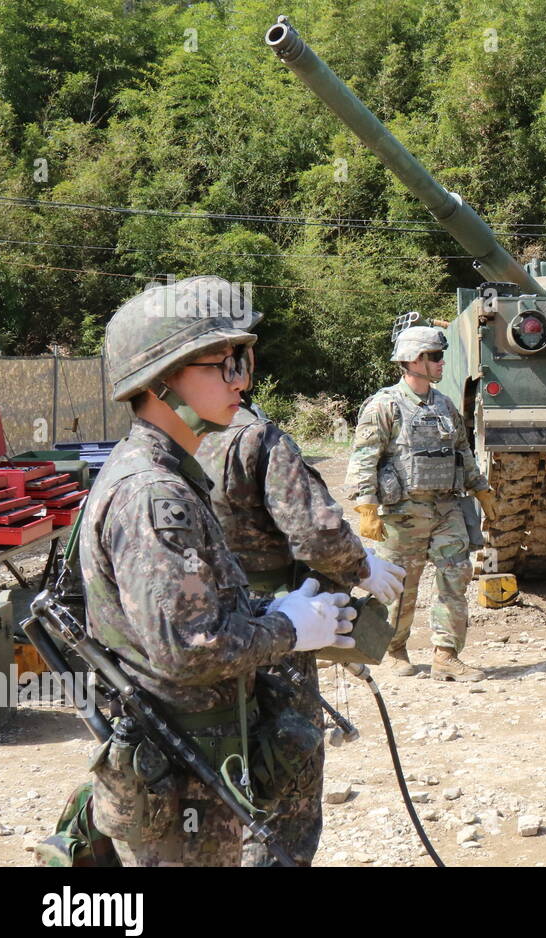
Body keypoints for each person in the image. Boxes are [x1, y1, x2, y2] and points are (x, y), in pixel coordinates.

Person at [80, 275, 356, 866]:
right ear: (159, 381)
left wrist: (273, 610)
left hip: (191, 769)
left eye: (243, 360)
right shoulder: (154, 496)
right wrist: (290, 631)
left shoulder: (168, 476)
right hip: (179, 786)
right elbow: (191, 649)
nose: (242, 379)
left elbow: (196, 615)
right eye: (221, 364)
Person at [195, 331, 405, 866]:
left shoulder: (172, 441)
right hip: (281, 626)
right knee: (285, 778)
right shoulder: (255, 438)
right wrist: (362, 565)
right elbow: (314, 532)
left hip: (205, 631)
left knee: (219, 770)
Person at [347, 325, 496, 680]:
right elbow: (365, 456)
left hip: (446, 508)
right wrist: (366, 506)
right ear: (414, 361)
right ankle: (394, 648)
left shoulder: (444, 404)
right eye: (436, 357)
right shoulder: (384, 405)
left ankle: (446, 656)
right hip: (404, 512)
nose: (442, 363)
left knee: (456, 577)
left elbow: (462, 451)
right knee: (398, 586)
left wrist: (481, 489)